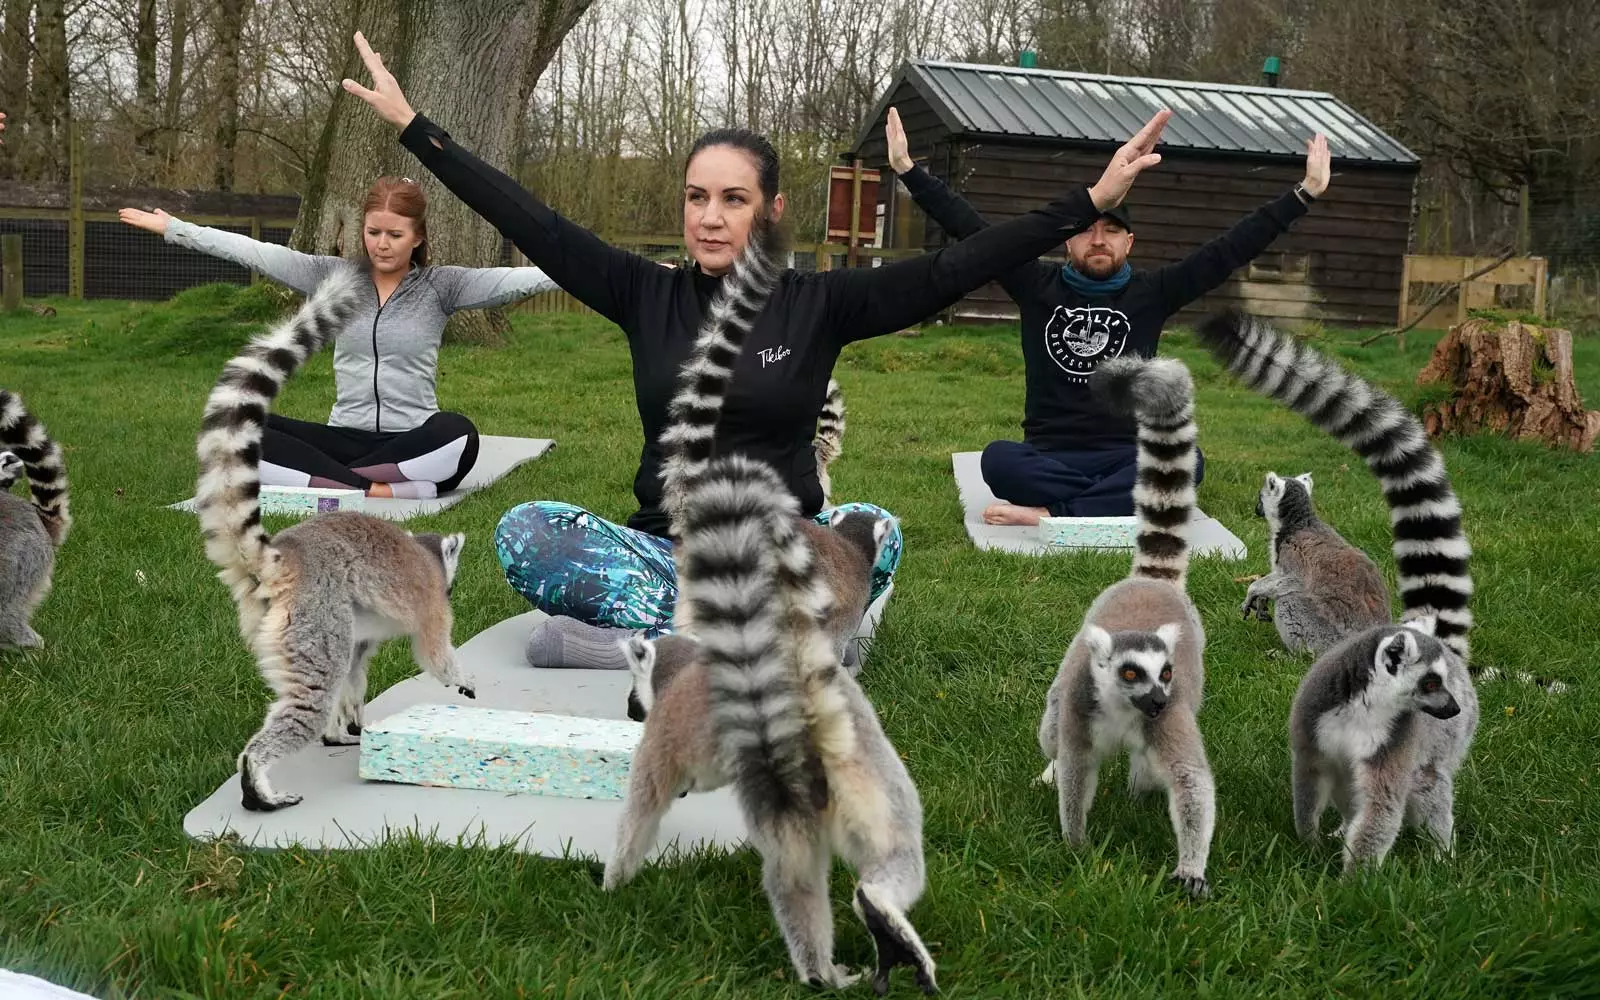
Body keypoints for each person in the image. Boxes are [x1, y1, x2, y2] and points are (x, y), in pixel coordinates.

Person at [342, 32, 1170, 667]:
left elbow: (958, 264)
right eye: (697, 197)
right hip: (668, 553)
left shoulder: (818, 303)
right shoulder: (644, 291)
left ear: (768, 211)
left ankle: (647, 645)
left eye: (732, 199)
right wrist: (418, 130)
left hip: (784, 550)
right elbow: (534, 223)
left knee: (876, 528)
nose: (709, 216)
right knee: (526, 532)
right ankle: (771, 643)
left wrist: (1087, 203)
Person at [884, 106, 1331, 525]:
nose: (1098, 240)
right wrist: (908, 170)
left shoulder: (1154, 293)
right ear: (1067, 242)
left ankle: (1056, 511)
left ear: (1129, 242)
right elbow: (972, 230)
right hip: (1049, 454)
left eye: (1111, 230)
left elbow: (1231, 248)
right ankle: (1109, 501)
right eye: (1086, 230)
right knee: (997, 460)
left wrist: (1303, 194)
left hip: (1126, 452)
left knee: (1187, 462)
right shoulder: (1035, 284)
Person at [118, 177, 562, 498]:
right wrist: (177, 229)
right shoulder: (333, 276)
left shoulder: (442, 286)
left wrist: (593, 266)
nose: (381, 244)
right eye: (373, 232)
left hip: (413, 440)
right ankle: (378, 488)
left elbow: (521, 279)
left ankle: (330, 477)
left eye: (394, 234)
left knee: (460, 434)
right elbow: (254, 251)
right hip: (345, 438)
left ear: (418, 237)